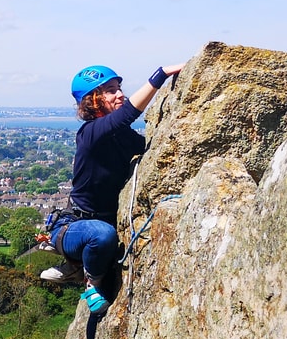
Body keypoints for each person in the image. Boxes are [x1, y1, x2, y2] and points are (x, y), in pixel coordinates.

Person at [42, 62, 185, 316]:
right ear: (92, 101)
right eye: (110, 91)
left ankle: (77, 267)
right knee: (102, 234)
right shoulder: (90, 134)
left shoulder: (122, 136)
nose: (120, 94)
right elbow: (128, 114)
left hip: (103, 227)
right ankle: (91, 282)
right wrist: (161, 74)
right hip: (76, 227)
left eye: (119, 88)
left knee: (105, 234)